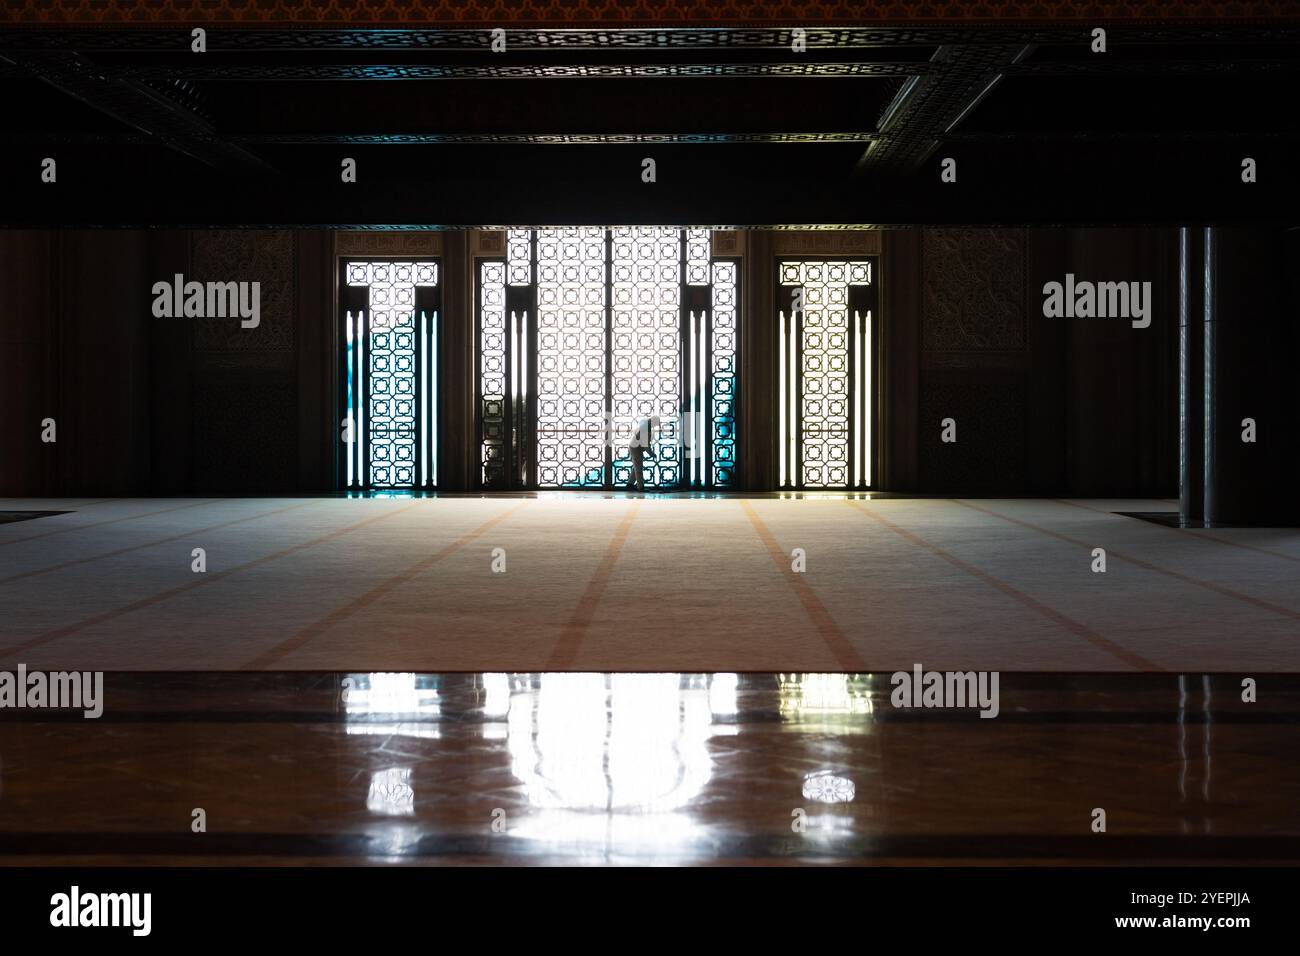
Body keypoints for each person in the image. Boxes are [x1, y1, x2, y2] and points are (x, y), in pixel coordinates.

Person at [627, 416, 659, 493]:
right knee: (639, 468)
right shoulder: (645, 428)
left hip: (634, 446)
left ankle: (630, 485)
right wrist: (651, 454)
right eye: (655, 425)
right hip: (635, 448)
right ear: (652, 422)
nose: (654, 426)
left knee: (637, 466)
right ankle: (640, 487)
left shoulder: (644, 423)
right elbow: (645, 444)